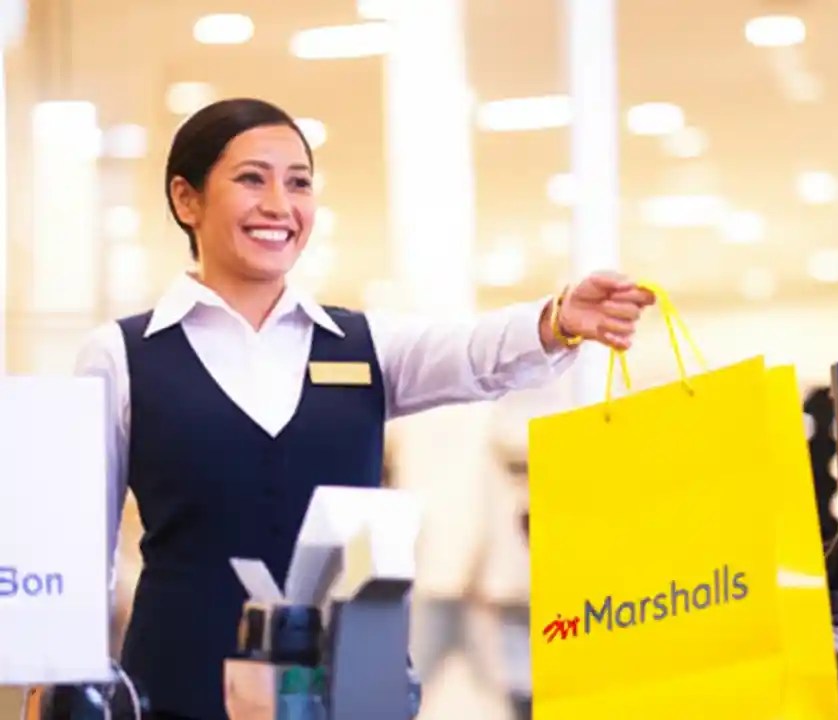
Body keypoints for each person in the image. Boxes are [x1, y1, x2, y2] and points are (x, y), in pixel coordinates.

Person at [74, 97, 655, 720]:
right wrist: (63, 686)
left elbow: (472, 352)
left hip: (346, 692)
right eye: (252, 179)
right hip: (176, 688)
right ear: (186, 200)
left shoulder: (363, 345)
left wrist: (557, 320)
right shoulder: (122, 355)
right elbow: (83, 548)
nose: (280, 204)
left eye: (298, 183)